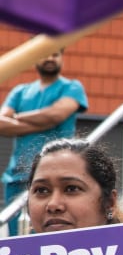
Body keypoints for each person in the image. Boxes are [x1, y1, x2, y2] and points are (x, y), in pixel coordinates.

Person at [0, 49, 88, 236]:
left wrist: (17, 117)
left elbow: (56, 115)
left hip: (58, 175)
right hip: (18, 177)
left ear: (62, 58)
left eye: (55, 54)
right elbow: (1, 123)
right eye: (44, 54)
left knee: (50, 235)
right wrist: (44, 122)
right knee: (18, 239)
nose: (49, 58)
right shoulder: (20, 91)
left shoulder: (72, 87)